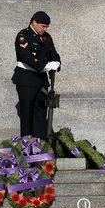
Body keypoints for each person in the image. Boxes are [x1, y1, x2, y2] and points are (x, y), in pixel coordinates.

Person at [11, 10, 61, 138]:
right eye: (42, 26)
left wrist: (57, 62)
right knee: (27, 113)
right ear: (34, 22)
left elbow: (52, 52)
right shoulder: (23, 35)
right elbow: (27, 56)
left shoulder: (46, 37)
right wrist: (44, 66)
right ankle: (27, 145)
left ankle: (40, 144)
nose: (44, 29)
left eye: (46, 27)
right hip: (27, 79)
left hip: (41, 80)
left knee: (40, 113)